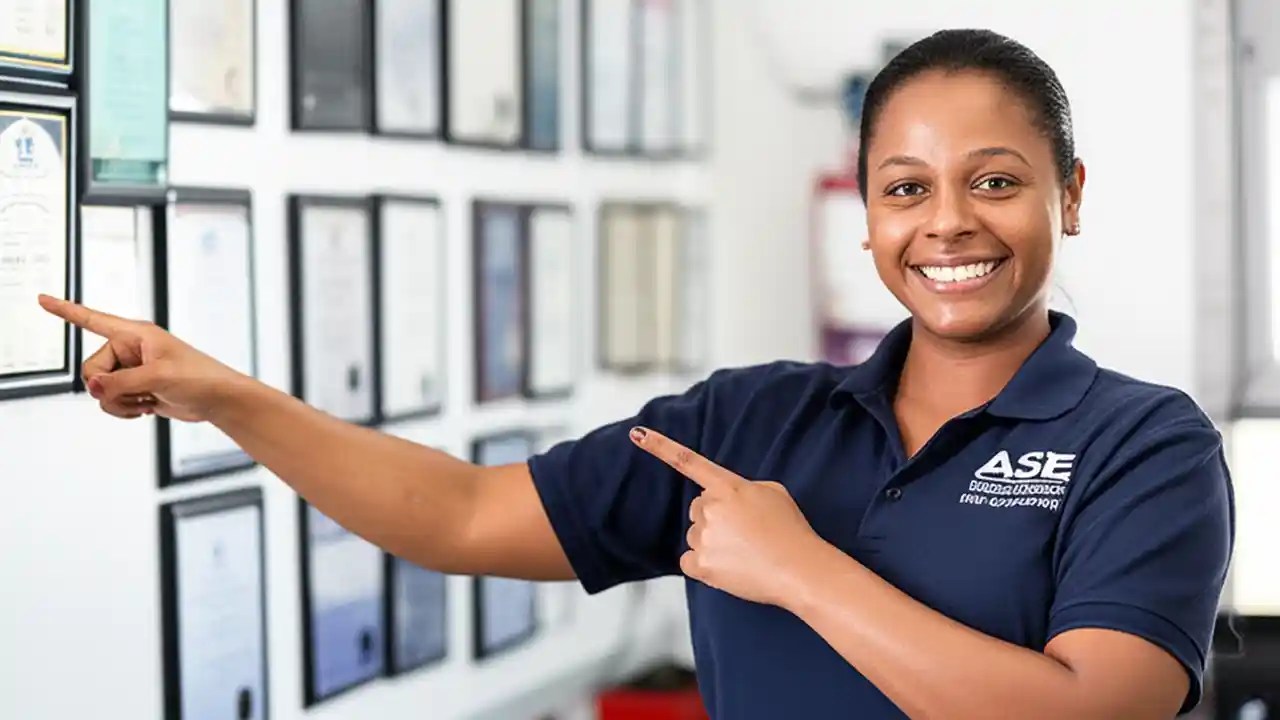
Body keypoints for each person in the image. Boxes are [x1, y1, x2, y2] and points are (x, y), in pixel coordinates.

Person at [41, 28, 1232, 720]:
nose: (947, 225)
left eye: (995, 179)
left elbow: (1086, 712)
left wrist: (800, 571)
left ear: (1065, 195)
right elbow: (458, 514)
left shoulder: (1144, 444)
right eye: (905, 188)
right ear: (866, 217)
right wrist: (234, 399)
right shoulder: (752, 421)